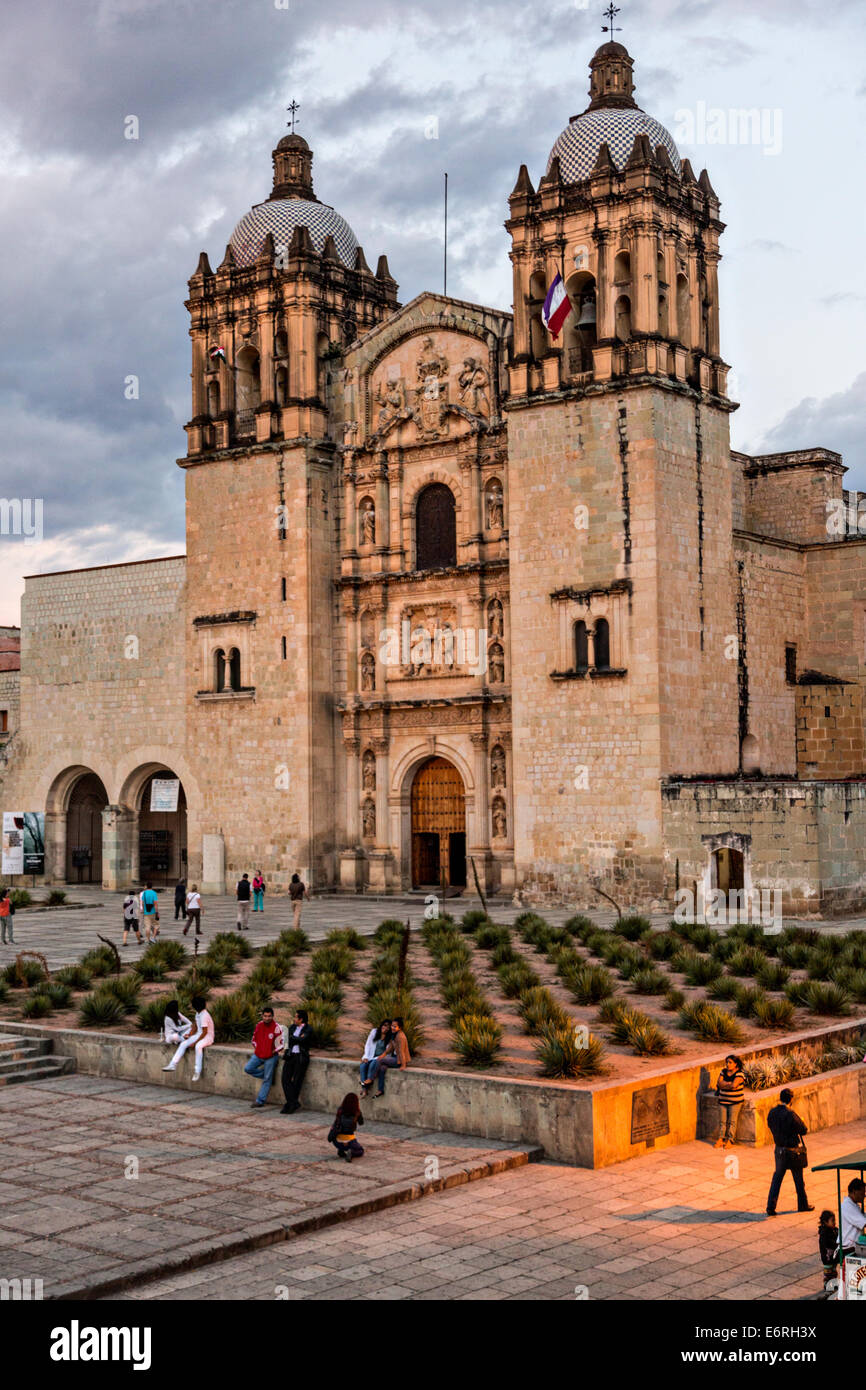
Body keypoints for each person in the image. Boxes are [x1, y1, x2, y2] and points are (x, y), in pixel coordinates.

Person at [765, 1088, 814, 1216]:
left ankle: (771, 1206)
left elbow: (769, 1124)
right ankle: (802, 1204)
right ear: (791, 1099)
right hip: (792, 1151)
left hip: (779, 1149)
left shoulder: (773, 1112)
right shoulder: (791, 1114)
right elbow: (803, 1129)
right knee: (798, 1179)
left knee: (777, 1178)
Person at [162, 994, 214, 1081]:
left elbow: (205, 1032)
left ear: (196, 1006)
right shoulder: (198, 1013)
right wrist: (189, 1035)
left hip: (208, 1037)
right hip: (199, 1034)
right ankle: (172, 1064)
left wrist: (195, 1042)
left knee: (198, 1046)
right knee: (183, 1044)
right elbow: (195, 1026)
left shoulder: (204, 1015)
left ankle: (197, 1071)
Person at [244, 1005, 285, 1108]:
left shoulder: (277, 1028)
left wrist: (272, 1051)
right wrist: (258, 1048)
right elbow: (253, 1039)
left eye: (269, 1016)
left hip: (271, 1057)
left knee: (267, 1080)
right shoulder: (259, 1025)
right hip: (258, 1055)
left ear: (273, 1016)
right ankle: (268, 1075)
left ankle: (260, 1101)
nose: (267, 1018)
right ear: (262, 1016)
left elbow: (281, 1044)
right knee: (248, 1068)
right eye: (265, 1016)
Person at [364, 1016, 409, 1098]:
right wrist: (383, 1055)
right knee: (382, 1068)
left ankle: (370, 1079)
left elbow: (402, 1052)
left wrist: (403, 1065)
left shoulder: (401, 1037)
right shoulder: (394, 1035)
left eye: (395, 1026)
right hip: (395, 1057)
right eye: (392, 1026)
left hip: (399, 1060)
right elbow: (390, 1048)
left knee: (380, 1061)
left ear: (400, 1028)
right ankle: (380, 1090)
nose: (392, 1028)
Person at [280, 1009, 312, 1113]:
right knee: (285, 1079)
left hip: (301, 1057)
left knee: (297, 1081)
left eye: (296, 1017)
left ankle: (290, 1105)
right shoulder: (292, 1027)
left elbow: (303, 1040)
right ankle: (293, 1102)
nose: (294, 1019)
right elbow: (287, 1039)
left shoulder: (308, 1029)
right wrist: (296, 1038)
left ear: (301, 1019)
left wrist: (294, 1038)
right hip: (290, 1056)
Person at [714, 1054, 745, 1148]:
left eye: (730, 1062)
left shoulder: (740, 1074)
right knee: (722, 1121)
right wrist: (728, 1084)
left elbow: (734, 1085)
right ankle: (721, 1139)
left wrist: (724, 1084)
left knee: (732, 1122)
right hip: (722, 1100)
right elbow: (719, 1083)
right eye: (727, 1062)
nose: (728, 1064)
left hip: (735, 1102)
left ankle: (730, 1140)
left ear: (735, 1064)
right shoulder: (723, 1072)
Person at [329, 1092, 365, 1162]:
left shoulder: (340, 1109)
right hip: (349, 1141)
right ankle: (351, 1152)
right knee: (360, 1150)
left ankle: (341, 1150)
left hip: (336, 1141)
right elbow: (361, 1123)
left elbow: (337, 1122)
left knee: (343, 1136)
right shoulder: (357, 1112)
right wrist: (358, 1116)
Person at [360, 1021, 390, 1088]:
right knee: (362, 1066)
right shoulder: (374, 1031)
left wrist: (379, 1058)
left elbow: (388, 1052)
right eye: (385, 1025)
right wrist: (366, 1056)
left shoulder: (389, 1038)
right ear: (382, 1025)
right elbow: (368, 1044)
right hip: (370, 1056)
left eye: (388, 1027)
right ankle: (364, 1089)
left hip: (379, 1058)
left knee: (372, 1064)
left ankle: (368, 1082)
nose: (386, 1028)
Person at [840, 1178, 866, 1258]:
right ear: (854, 1191)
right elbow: (864, 1222)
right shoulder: (848, 1206)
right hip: (849, 1248)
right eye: (862, 1193)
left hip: (854, 1245)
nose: (864, 1195)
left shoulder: (854, 1205)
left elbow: (863, 1216)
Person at [818, 1210, 839, 1293]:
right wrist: (836, 1244)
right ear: (825, 1222)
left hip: (833, 1256)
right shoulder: (824, 1233)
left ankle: (833, 1283)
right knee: (828, 1272)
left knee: (833, 1270)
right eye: (832, 1221)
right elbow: (827, 1243)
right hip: (827, 1257)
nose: (834, 1222)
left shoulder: (834, 1230)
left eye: (835, 1220)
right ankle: (828, 1284)